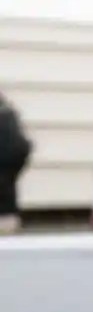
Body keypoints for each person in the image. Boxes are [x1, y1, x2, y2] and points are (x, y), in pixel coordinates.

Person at [0, 92, 32, 234]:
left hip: (7, 143)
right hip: (16, 144)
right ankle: (9, 220)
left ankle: (6, 222)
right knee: (6, 182)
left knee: (4, 179)